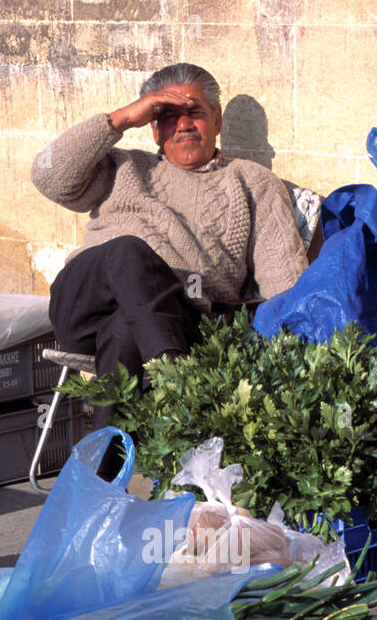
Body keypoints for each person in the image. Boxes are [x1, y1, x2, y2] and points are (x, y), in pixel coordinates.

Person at [31, 63, 308, 401]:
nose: (184, 125)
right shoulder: (124, 166)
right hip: (85, 305)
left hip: (180, 318)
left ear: (217, 119)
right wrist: (122, 119)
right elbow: (48, 176)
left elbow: (286, 285)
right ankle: (176, 382)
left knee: (123, 334)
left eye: (195, 112)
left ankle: (111, 450)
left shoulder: (252, 182)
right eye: (167, 116)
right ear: (153, 129)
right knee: (127, 251)